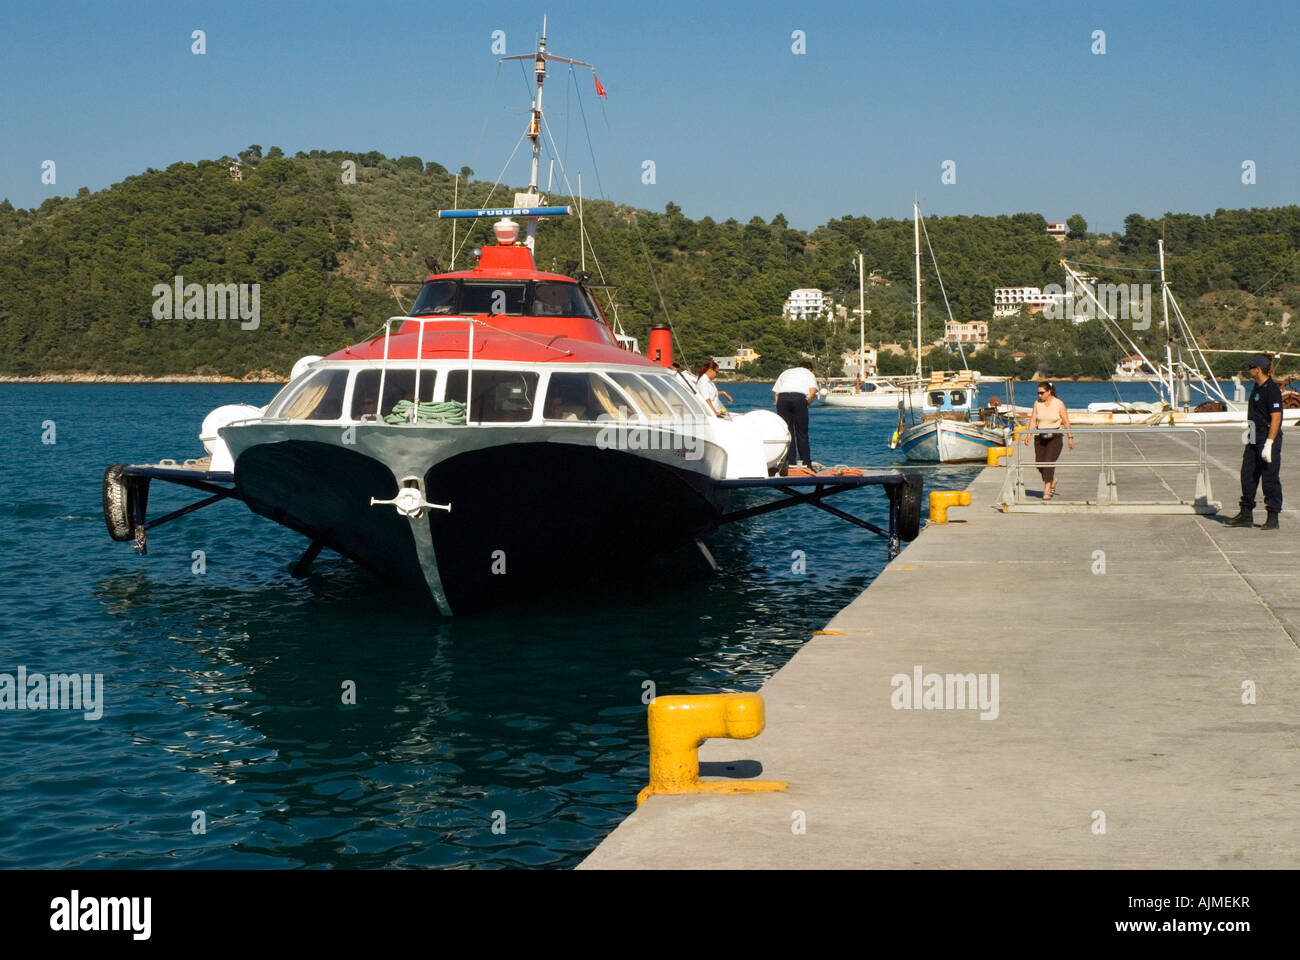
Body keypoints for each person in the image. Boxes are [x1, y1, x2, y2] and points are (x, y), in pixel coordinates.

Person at [1227, 354, 1283, 529]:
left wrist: (1269, 443)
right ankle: (1246, 514)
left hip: (1267, 437)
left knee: (1269, 477)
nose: (1248, 370)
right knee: (1248, 475)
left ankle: (1273, 516)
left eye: (1251, 367)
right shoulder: (1256, 387)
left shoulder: (1271, 390)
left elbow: (1276, 418)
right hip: (1252, 435)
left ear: (1258, 369)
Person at [1023, 381, 1072, 500]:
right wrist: (1029, 435)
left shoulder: (1058, 403)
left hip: (1055, 436)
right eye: (1038, 393)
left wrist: (1070, 437)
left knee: (1048, 462)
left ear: (1049, 392)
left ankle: (1046, 490)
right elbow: (1033, 420)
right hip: (1040, 436)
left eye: (1042, 393)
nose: (1039, 395)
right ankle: (1052, 480)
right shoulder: (1037, 403)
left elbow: (1065, 421)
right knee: (1039, 463)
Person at [773, 364, 818, 470]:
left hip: (782, 399)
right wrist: (806, 404)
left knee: (787, 432)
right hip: (798, 398)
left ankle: (789, 462)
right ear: (809, 369)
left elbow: (776, 394)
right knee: (802, 433)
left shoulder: (786, 372)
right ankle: (806, 463)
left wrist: (779, 406)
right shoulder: (808, 373)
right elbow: (812, 393)